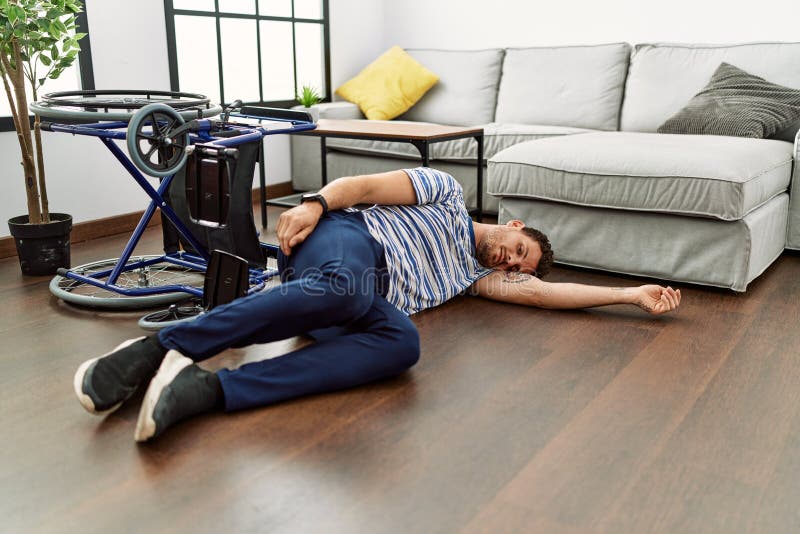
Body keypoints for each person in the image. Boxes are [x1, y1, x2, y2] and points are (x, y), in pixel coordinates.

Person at [73, 167, 681, 442]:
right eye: (515, 247)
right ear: (512, 223)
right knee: (345, 287)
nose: (507, 260)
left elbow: (549, 296)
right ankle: (158, 349)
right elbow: (361, 190)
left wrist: (629, 293)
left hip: (363, 298)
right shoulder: (444, 192)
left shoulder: (471, 279)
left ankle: (209, 391)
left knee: (403, 345)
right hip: (349, 244)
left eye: (516, 266)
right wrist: (313, 202)